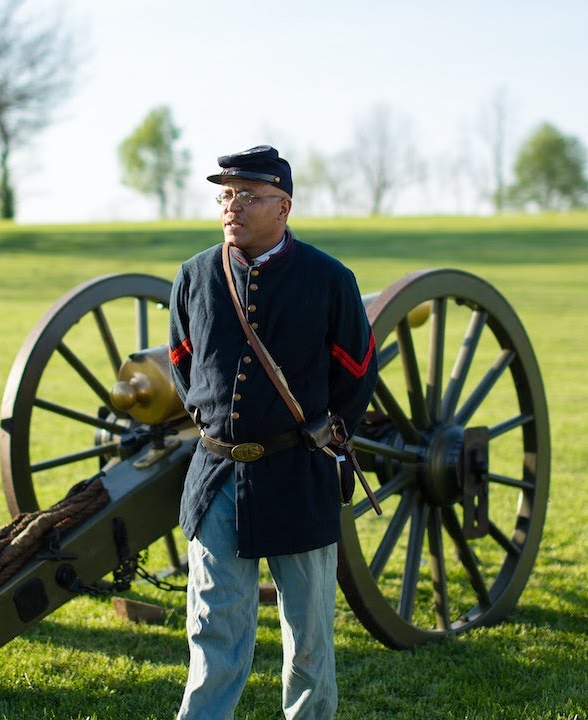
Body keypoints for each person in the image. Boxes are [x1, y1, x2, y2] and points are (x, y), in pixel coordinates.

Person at [167, 146, 378, 719]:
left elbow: (355, 375)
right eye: (225, 195)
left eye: (247, 195)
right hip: (217, 477)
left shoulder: (330, 280)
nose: (232, 206)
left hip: (297, 475)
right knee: (213, 632)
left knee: (308, 641)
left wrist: (319, 433)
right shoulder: (194, 275)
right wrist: (215, 423)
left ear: (283, 206)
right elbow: (183, 363)